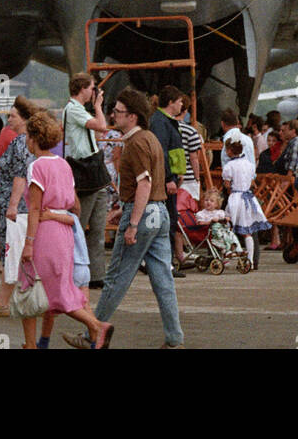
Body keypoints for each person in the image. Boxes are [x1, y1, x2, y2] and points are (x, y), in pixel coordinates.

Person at [64, 86, 184, 350]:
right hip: (159, 212)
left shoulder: (135, 144)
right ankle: (174, 340)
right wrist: (126, 207)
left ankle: (94, 332)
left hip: (142, 215)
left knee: (117, 276)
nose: (113, 116)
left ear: (132, 116)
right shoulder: (150, 138)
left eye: (118, 112)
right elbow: (152, 186)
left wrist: (131, 222)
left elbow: (144, 184)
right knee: (163, 280)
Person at [19, 110, 110, 350]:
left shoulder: (36, 167)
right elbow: (74, 205)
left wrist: (28, 243)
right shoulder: (63, 165)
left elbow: (35, 209)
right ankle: (33, 344)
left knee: (34, 285)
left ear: (34, 138)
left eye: (28, 136)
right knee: (55, 287)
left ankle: (95, 326)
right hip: (64, 234)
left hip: (44, 234)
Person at [0, 97, 36, 314]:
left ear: (24, 119)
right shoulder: (25, 141)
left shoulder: (21, 143)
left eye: (12, 115)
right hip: (19, 207)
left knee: (13, 255)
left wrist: (11, 205)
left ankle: (3, 303)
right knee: (15, 255)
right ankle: (9, 300)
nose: (8, 119)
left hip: (17, 209)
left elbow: (20, 175)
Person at [61, 72, 109, 288]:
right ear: (82, 89)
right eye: (92, 88)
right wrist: (98, 105)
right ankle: (75, 270)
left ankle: (96, 274)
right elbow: (102, 127)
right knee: (80, 225)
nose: (94, 92)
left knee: (98, 227)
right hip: (84, 168)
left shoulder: (78, 110)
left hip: (93, 166)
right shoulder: (73, 109)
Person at [150, 85, 187, 269]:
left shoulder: (167, 120)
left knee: (170, 219)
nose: (182, 104)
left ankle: (168, 261)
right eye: (179, 101)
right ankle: (166, 263)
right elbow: (161, 151)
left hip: (172, 177)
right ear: (171, 102)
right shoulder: (160, 122)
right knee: (167, 220)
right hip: (167, 180)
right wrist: (168, 178)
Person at [222, 138, 269, 268]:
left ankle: (227, 255)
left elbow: (227, 184)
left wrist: (230, 189)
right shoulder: (249, 165)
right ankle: (250, 260)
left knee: (227, 226)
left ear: (230, 151)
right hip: (248, 197)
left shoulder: (229, 166)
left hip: (236, 196)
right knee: (247, 230)